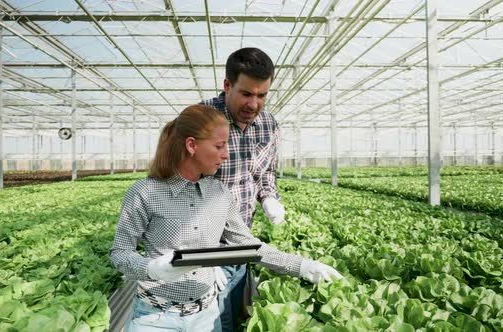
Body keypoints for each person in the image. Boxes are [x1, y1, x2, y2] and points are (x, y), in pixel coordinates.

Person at [110, 105, 342, 332]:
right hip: (156, 318)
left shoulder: (219, 193)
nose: (226, 154)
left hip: (206, 318)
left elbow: (248, 246)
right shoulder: (144, 192)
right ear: (191, 145)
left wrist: (302, 266)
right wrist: (151, 268)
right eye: (219, 145)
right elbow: (120, 253)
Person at [201, 48, 284, 331]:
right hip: (206, 246)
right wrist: (198, 254)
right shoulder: (200, 122)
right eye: (246, 94)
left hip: (243, 240)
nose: (254, 104)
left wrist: (269, 197)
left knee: (234, 312)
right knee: (215, 320)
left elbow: (266, 172)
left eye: (262, 95)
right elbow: (177, 190)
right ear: (227, 86)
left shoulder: (268, 125)